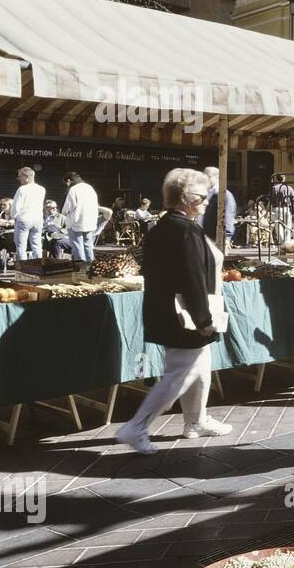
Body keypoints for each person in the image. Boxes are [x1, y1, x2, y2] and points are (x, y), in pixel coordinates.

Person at [115, 169, 232, 455]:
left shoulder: (165, 226)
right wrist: (203, 318)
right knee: (179, 372)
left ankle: (196, 421)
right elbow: (191, 277)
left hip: (170, 310)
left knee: (200, 367)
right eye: (202, 197)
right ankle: (137, 426)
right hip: (184, 315)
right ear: (185, 198)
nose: (206, 201)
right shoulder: (185, 229)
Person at [61, 172, 99, 263]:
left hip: (76, 223)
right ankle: (90, 266)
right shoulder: (90, 188)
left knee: (77, 247)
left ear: (69, 181)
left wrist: (63, 213)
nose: (67, 185)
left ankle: (81, 269)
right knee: (88, 245)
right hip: (90, 222)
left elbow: (68, 208)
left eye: (66, 183)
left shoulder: (73, 189)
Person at [10, 167, 46, 261]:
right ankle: (40, 266)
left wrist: (14, 217)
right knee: (37, 246)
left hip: (24, 219)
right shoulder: (41, 189)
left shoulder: (22, 189)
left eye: (20, 176)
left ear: (26, 177)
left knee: (21, 247)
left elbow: (16, 206)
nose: (18, 179)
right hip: (37, 219)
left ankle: (24, 269)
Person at [201, 166, 237, 244]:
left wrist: (226, 238)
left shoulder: (224, 194)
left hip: (215, 239)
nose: (204, 179)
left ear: (215, 177)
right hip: (204, 237)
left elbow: (228, 216)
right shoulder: (207, 192)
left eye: (207, 176)